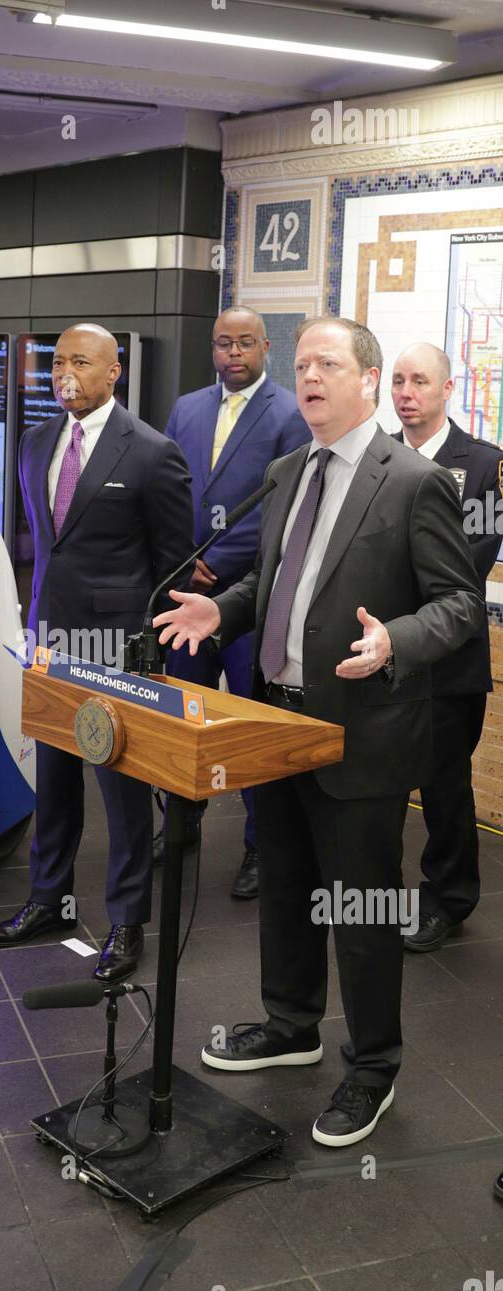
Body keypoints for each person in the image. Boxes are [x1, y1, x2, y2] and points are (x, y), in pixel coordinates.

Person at [154, 316, 484, 1146]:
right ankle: (291, 1026)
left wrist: (394, 641)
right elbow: (277, 581)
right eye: (301, 365)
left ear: (368, 379)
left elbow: (458, 604)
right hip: (277, 722)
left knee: (361, 911)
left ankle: (371, 1068)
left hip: (362, 737)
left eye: (327, 363)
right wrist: (222, 609)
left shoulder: (411, 480)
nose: (309, 377)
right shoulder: (288, 470)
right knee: (290, 892)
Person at [0, 323, 193, 983]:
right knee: (57, 776)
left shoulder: (154, 454)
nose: (65, 372)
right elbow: (47, 547)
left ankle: (128, 923)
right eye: (57, 362)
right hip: (50, 641)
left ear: (114, 370)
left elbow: (172, 572)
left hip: (116, 648)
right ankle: (48, 900)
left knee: (122, 790)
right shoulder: (34, 441)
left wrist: (149, 655)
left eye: (81, 361)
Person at [159, 306, 311, 898]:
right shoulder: (187, 408)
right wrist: (181, 554)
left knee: (247, 720)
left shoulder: (290, 414)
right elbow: (169, 488)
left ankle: (259, 844)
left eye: (245, 343)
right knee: (183, 710)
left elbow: (286, 503)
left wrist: (219, 562)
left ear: (265, 347)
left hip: (249, 597)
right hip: (183, 591)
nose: (234, 354)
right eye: (224, 344)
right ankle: (181, 818)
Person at [391, 343, 502, 951]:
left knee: (444, 789)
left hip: (447, 659)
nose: (408, 393)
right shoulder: (375, 455)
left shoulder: (485, 465)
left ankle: (449, 899)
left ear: (447, 388)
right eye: (400, 382)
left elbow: (469, 562)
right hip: (379, 652)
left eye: (421, 382)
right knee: (381, 782)